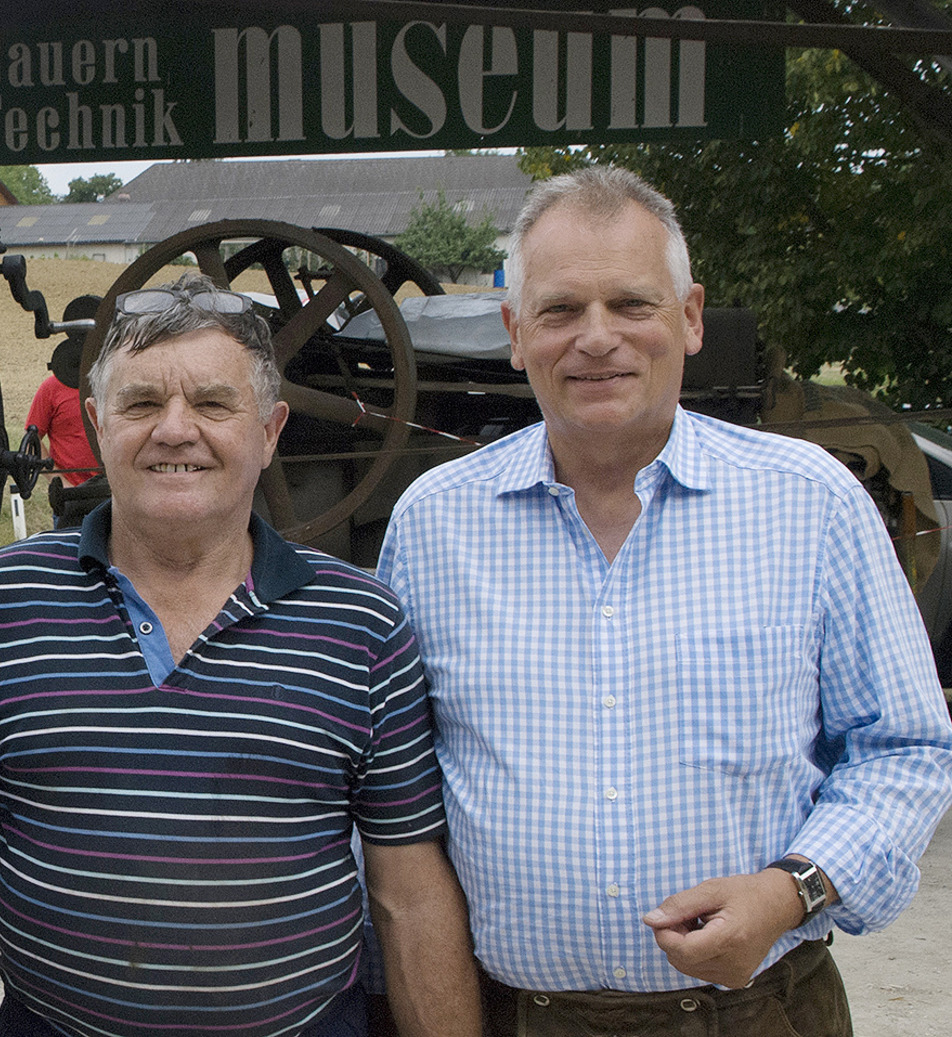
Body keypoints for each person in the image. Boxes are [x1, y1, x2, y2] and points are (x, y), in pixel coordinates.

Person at [376, 166, 952, 1036]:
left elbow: (903, 748)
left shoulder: (811, 502)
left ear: (689, 317)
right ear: (515, 333)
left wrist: (790, 888)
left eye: (631, 304)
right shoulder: (433, 523)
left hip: (758, 1013)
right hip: (514, 1016)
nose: (596, 338)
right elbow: (394, 795)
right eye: (560, 310)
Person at [0, 273, 481, 1037]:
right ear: (97, 424)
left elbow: (408, 891)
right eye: (142, 403)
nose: (175, 430)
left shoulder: (361, 624)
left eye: (212, 403)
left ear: (270, 431)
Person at [24, 294, 102, 489]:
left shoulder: (114, 385)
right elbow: (31, 440)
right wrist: (60, 482)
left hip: (112, 491)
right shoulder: (52, 388)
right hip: (69, 493)